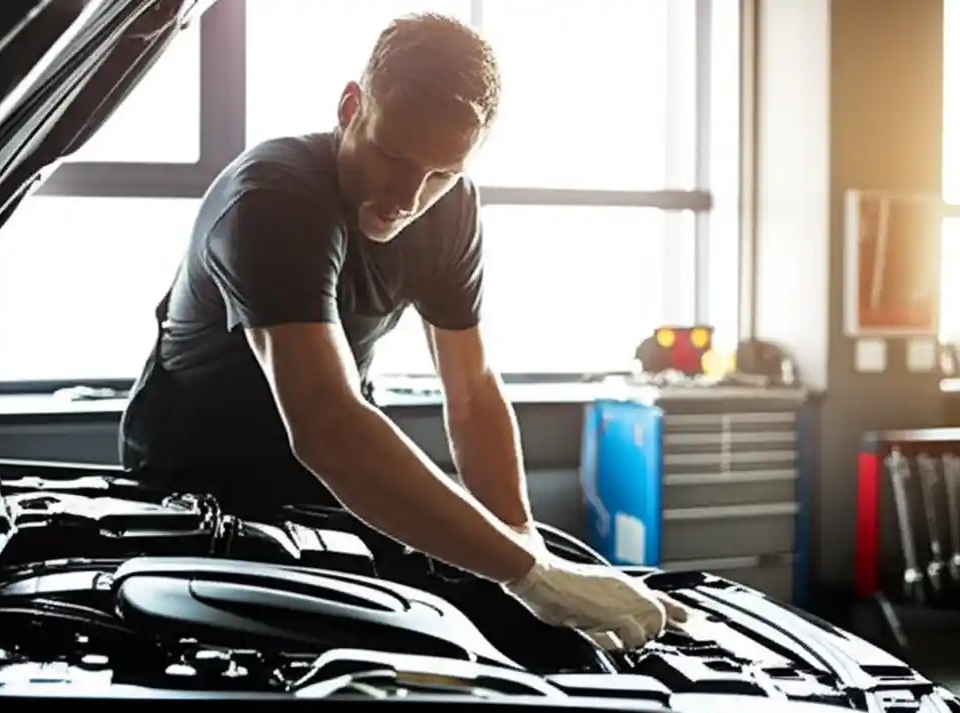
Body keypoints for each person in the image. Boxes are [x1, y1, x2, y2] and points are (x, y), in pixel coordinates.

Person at [119, 11, 686, 649]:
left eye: (441, 173)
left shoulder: (451, 210)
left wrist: (526, 548)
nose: (407, 198)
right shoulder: (274, 199)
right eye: (392, 156)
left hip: (334, 480)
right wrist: (535, 577)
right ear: (350, 106)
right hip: (200, 483)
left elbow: (470, 394)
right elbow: (327, 423)